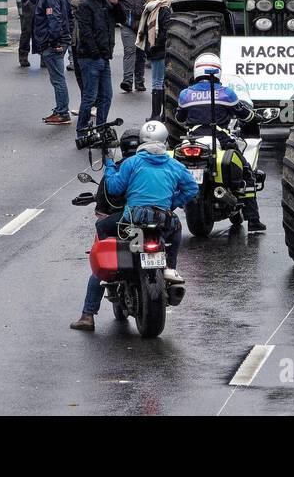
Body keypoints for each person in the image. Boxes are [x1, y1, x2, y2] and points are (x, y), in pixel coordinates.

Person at [70, 120, 198, 332]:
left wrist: (110, 167)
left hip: (134, 218)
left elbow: (113, 187)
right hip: (163, 219)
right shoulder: (174, 164)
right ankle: (169, 267)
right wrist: (171, 204)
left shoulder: (132, 163)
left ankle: (88, 314)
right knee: (176, 229)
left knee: (102, 230)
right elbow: (191, 188)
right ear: (165, 141)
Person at [177, 53, 266, 233]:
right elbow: (244, 115)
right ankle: (253, 221)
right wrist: (255, 117)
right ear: (218, 72)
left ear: (196, 71)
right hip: (220, 137)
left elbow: (180, 117)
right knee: (246, 173)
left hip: (192, 139)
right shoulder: (226, 93)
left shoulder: (185, 94)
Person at [74, 0, 125, 133]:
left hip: (104, 57)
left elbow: (123, 19)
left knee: (107, 96)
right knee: (90, 97)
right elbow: (86, 32)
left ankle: (101, 129)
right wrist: (96, 53)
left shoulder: (108, 3)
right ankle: (81, 131)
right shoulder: (86, 5)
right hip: (90, 58)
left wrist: (117, 4)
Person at [137, 0, 185, 120]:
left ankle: (156, 115)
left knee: (158, 83)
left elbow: (164, 31)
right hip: (157, 51)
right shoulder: (152, 10)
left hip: (159, 52)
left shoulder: (161, 9)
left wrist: (154, 46)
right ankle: (162, 114)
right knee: (161, 82)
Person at [33, 0, 72, 125]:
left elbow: (54, 19)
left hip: (53, 43)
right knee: (57, 78)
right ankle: (61, 109)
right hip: (60, 40)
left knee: (57, 79)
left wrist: (54, 42)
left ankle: (62, 112)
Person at [113, 0, 157, 93]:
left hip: (143, 23)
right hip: (127, 23)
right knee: (129, 51)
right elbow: (115, 2)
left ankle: (139, 81)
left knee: (140, 53)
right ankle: (127, 81)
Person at [67, 0, 94, 83]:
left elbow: (90, 8)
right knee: (78, 73)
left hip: (89, 36)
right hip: (74, 36)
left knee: (89, 72)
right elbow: (68, 9)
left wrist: (76, 3)